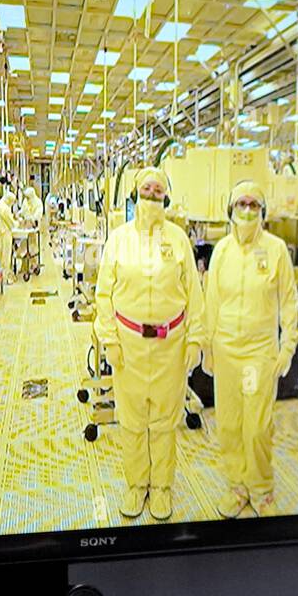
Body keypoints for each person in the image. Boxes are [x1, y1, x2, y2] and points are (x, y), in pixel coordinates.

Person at [93, 166, 205, 521]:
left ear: (166, 198)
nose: (152, 196)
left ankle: (161, 487)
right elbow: (103, 294)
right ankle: (136, 484)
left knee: (164, 419)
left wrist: (195, 339)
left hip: (171, 343)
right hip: (129, 344)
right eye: (146, 190)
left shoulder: (178, 240)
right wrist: (108, 338)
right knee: (131, 419)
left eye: (158, 192)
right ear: (134, 195)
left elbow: (195, 295)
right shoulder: (119, 239)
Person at [203, 180, 298, 518]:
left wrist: (288, 346)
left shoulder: (276, 250)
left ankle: (262, 490)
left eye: (253, 205)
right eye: (241, 204)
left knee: (257, 426)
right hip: (226, 349)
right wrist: (207, 347)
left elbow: (289, 300)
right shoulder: (222, 252)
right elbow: (210, 301)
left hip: (259, 353)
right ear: (230, 210)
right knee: (229, 424)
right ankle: (238, 486)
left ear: (262, 212)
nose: (247, 210)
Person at [0, 183, 17, 281]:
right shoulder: (5, 208)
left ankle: (1, 277)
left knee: (0, 257)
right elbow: (10, 222)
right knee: (6, 257)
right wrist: (18, 222)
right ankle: (6, 278)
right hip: (4, 234)